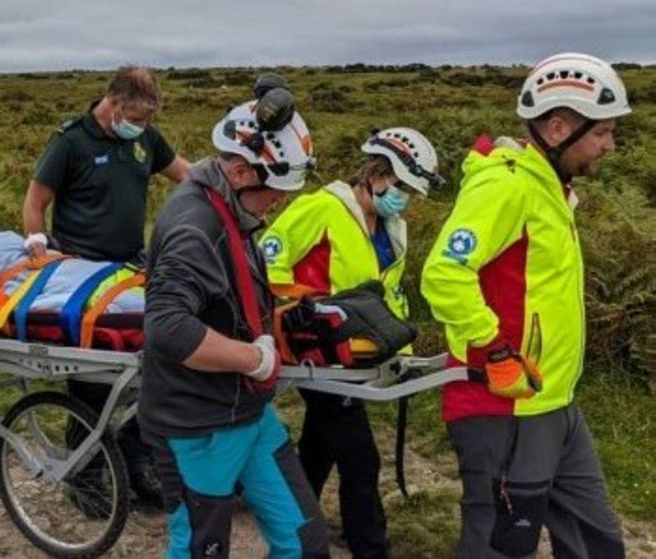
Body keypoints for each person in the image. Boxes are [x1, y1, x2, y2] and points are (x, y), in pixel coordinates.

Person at [421, 53, 629, 558]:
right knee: (500, 545)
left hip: (555, 400)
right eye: (603, 132)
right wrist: (494, 349)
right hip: (505, 405)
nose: (610, 145)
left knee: (597, 540)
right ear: (558, 128)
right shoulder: (506, 186)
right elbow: (444, 273)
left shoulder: (550, 187)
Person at [141, 87, 331, 558]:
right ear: (241, 171)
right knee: (201, 549)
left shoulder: (231, 208)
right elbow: (168, 328)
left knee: (305, 542)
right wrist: (253, 358)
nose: (278, 202)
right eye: (275, 191)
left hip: (248, 414)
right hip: (196, 426)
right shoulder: (194, 226)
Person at [261, 127, 444, 558]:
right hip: (317, 351)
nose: (405, 199)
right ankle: (369, 548)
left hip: (356, 356)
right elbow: (268, 258)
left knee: (318, 447)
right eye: (402, 188)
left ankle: (293, 537)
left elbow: (388, 298)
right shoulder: (321, 209)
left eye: (410, 193)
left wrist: (400, 354)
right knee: (361, 460)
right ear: (377, 174)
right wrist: (302, 309)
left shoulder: (390, 230)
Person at [22, 65, 190, 508]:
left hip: (130, 269)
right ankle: (86, 478)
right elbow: (36, 199)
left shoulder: (145, 140)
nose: (142, 125)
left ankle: (136, 463)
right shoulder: (71, 141)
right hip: (83, 273)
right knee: (92, 382)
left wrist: (225, 185)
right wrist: (37, 244)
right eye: (135, 117)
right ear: (113, 103)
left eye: (148, 119)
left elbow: (184, 173)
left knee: (150, 370)